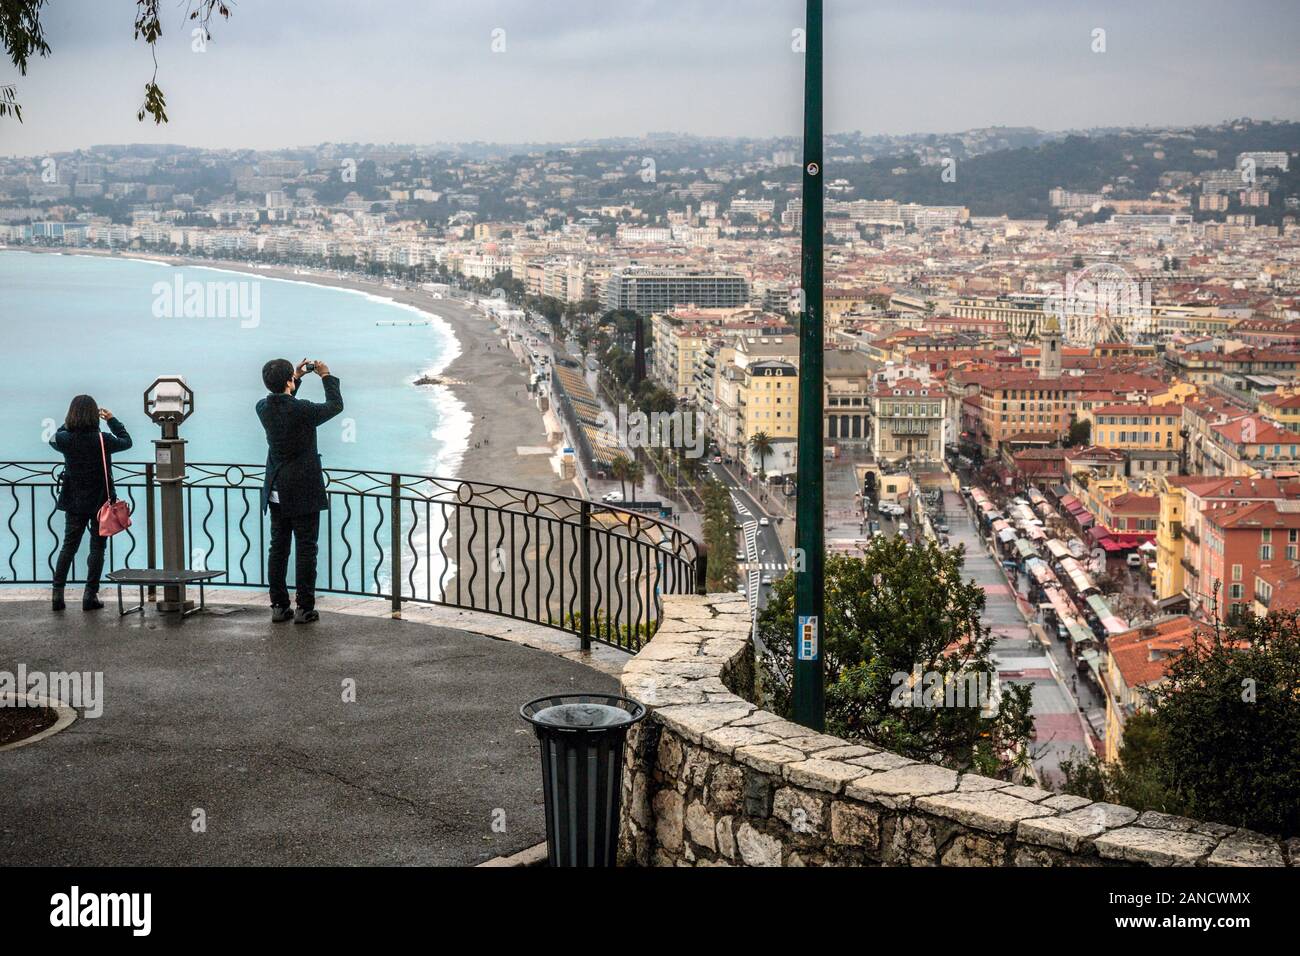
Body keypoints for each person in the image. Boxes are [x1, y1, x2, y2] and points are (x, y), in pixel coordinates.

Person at [257, 358, 343, 624]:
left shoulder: (262, 408)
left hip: (275, 489)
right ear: (287, 382)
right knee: (306, 549)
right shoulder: (304, 411)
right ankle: (305, 608)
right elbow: (335, 406)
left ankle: (279, 606)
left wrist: (294, 376)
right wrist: (326, 376)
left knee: (278, 548)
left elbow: (284, 402)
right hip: (302, 490)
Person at [49, 395, 132, 611]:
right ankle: (90, 596)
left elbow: (54, 437)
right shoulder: (103, 439)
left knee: (68, 547)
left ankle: (57, 595)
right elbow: (126, 441)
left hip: (73, 501)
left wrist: (70, 422)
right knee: (97, 549)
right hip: (100, 504)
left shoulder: (66, 439)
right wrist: (112, 419)